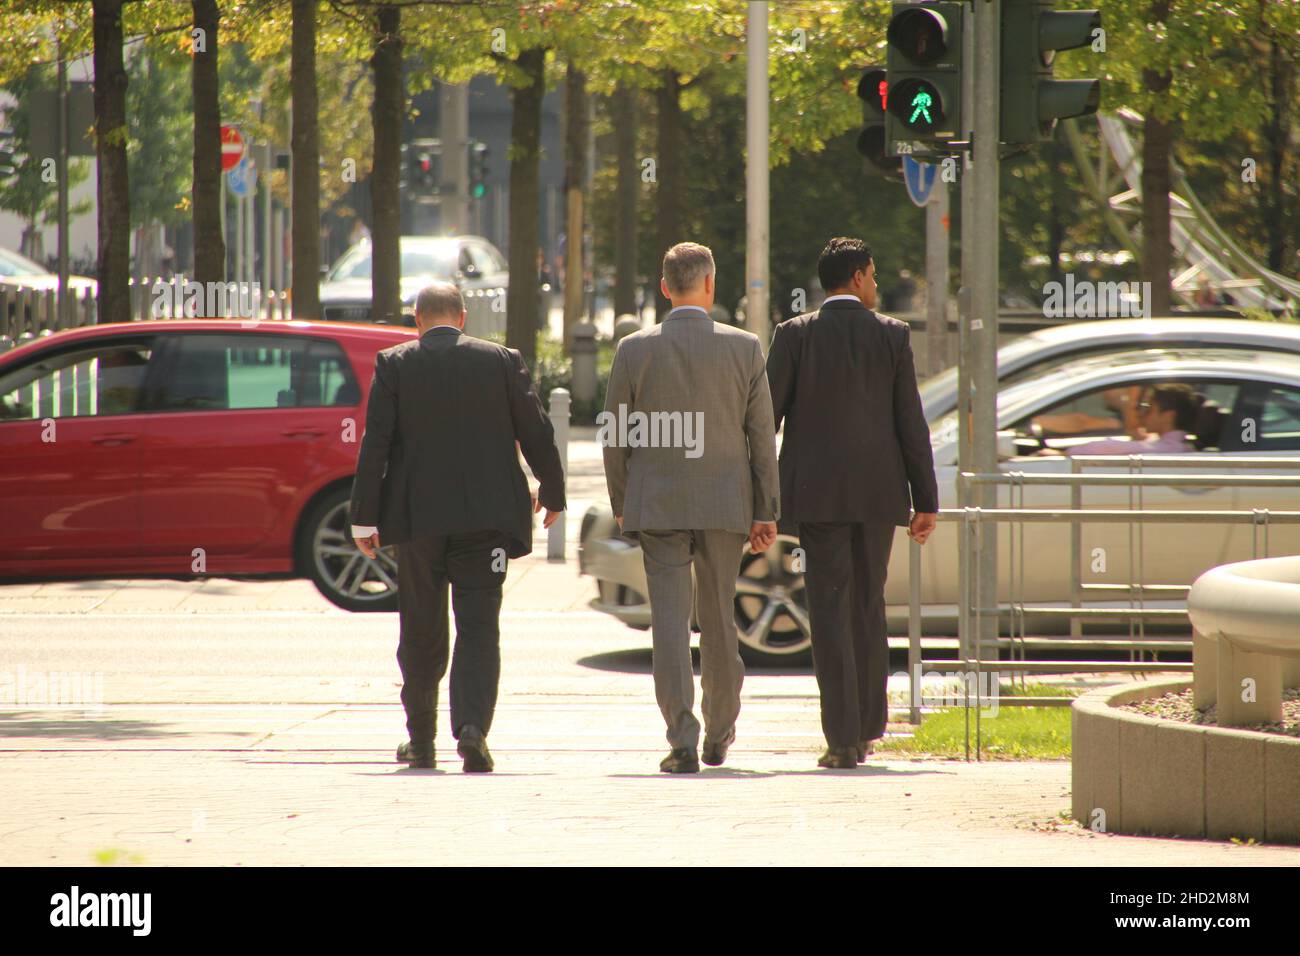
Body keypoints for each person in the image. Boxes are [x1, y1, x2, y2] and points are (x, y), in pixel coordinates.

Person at [350, 281, 565, 772]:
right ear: (463, 317)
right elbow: (536, 430)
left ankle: (421, 741)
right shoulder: (501, 360)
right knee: (479, 627)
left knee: (421, 628)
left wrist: (364, 517)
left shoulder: (395, 364)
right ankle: (471, 730)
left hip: (417, 521)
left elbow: (376, 445)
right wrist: (552, 493)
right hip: (487, 521)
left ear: (416, 319)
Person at [602, 242, 780, 774]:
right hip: (726, 502)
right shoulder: (745, 348)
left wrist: (621, 500)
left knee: (670, 622)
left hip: (657, 503)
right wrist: (766, 509)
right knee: (720, 619)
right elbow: (761, 438)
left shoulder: (633, 350)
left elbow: (614, 435)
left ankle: (681, 737)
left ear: (663, 288)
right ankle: (720, 731)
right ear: (710, 284)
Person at [766, 237, 939, 770]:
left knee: (829, 609)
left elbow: (766, 417)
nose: (878, 283)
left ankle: (840, 738)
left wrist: (762, 498)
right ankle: (867, 726)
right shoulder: (892, 335)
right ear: (861, 275)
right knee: (868, 604)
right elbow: (911, 422)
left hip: (815, 496)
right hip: (878, 495)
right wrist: (925, 500)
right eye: (876, 273)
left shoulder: (795, 335)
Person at [1059, 383, 1198, 457]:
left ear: (1168, 416)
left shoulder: (1170, 449)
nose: (1141, 413)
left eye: (1148, 408)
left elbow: (1108, 448)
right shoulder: (1172, 445)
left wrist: (1064, 454)